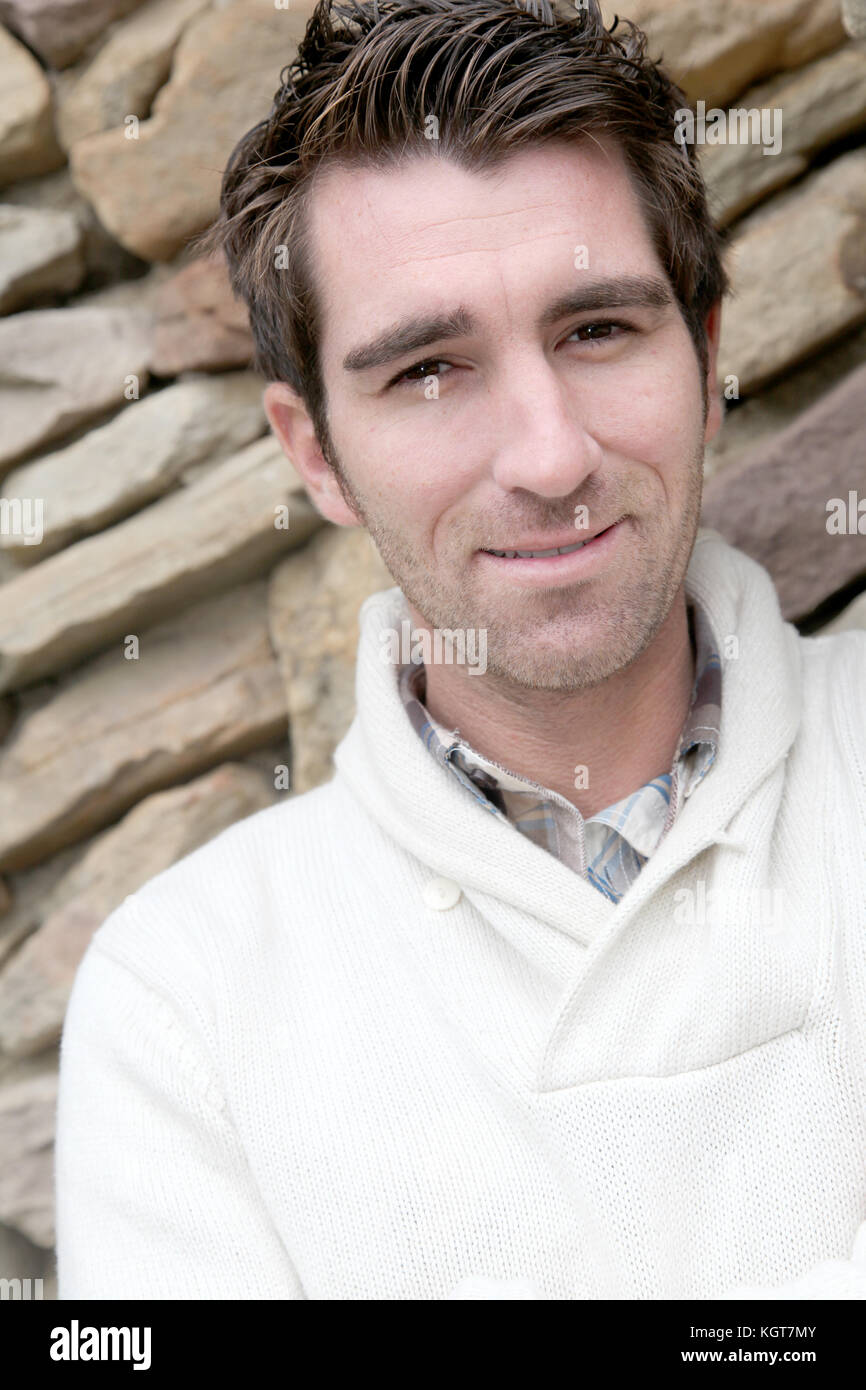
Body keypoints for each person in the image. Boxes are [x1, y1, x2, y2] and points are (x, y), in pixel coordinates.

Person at [55, 0, 866, 1299]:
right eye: (427, 369)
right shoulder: (186, 1003)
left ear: (705, 353)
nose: (549, 457)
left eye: (596, 330)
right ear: (313, 449)